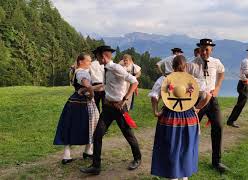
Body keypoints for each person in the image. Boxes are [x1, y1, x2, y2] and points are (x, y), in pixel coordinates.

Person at [80, 46, 142, 175]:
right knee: (97, 135)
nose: (95, 59)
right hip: (107, 109)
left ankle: (137, 159)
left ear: (103, 56)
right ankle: (96, 166)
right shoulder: (106, 69)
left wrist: (125, 99)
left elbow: (134, 81)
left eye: (96, 56)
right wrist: (88, 89)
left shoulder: (116, 68)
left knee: (128, 134)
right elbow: (106, 85)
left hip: (119, 109)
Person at [149, 55, 211, 180]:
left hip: (169, 117)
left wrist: (155, 111)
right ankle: (184, 177)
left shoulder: (164, 79)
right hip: (189, 118)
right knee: (186, 147)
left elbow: (154, 96)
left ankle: (173, 176)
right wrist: (198, 107)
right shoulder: (193, 80)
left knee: (171, 147)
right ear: (186, 66)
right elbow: (207, 95)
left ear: (172, 66)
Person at [187, 38, 229, 173]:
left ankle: (217, 162)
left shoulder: (216, 62)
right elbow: (185, 81)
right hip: (197, 101)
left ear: (211, 50)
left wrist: (217, 87)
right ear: (198, 49)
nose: (204, 52)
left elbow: (222, 72)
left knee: (218, 127)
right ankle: (188, 159)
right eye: (202, 49)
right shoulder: (191, 64)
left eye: (207, 49)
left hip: (212, 100)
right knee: (192, 129)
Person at [53, 53, 100, 164]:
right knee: (92, 125)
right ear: (80, 62)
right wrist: (93, 93)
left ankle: (68, 155)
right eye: (88, 61)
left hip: (74, 101)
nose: (90, 62)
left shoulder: (75, 70)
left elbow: (84, 87)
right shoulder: (82, 72)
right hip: (83, 103)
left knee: (70, 126)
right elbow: (87, 85)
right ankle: (88, 151)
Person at [226, 46, 248, 128]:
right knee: (240, 105)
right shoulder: (246, 61)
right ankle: (230, 121)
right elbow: (247, 75)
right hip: (244, 85)